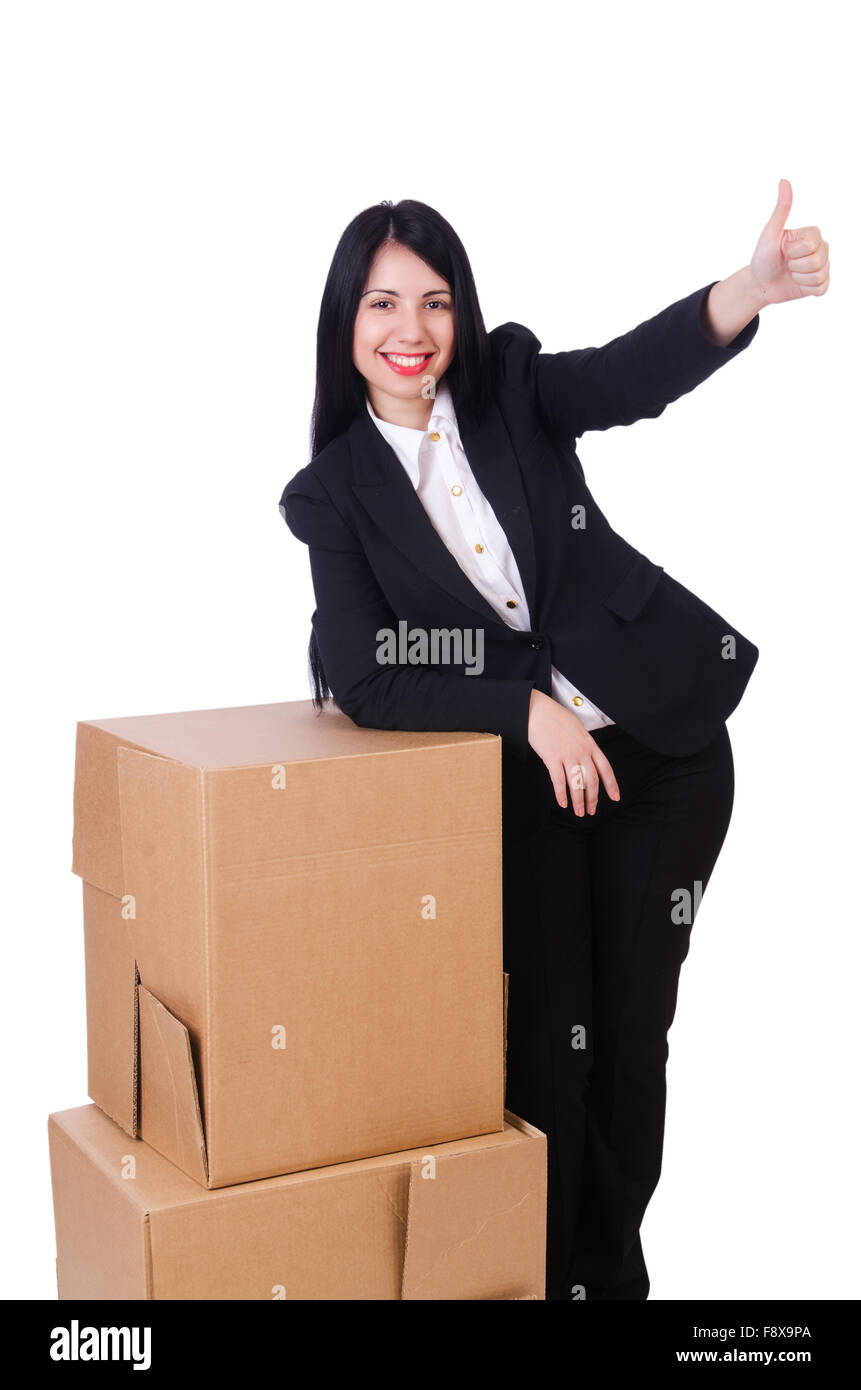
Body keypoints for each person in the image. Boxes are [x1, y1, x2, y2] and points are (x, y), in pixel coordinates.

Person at [277, 188, 829, 1300]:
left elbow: (630, 374)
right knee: (546, 1049)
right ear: (346, 321)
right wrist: (523, 700)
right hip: (533, 790)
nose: (412, 330)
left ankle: (606, 1283)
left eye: (435, 301)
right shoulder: (331, 495)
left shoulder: (514, 388)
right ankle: (547, 1280)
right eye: (383, 302)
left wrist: (748, 290)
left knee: (631, 1038)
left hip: (662, 751)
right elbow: (372, 661)